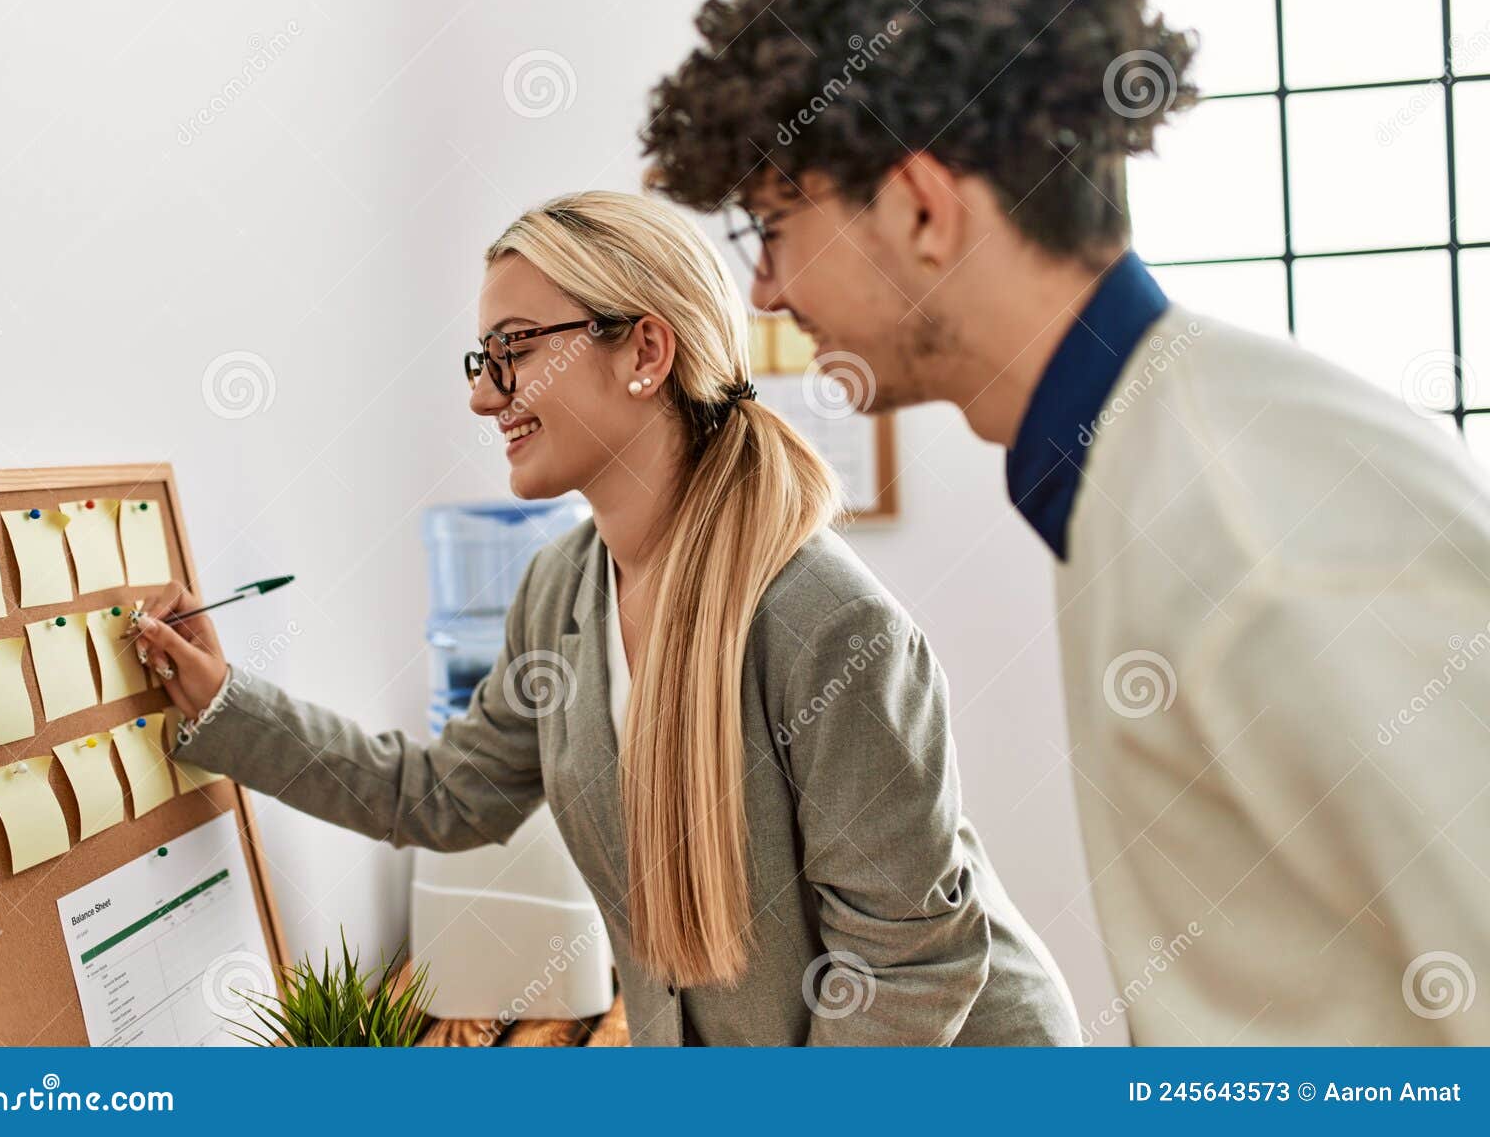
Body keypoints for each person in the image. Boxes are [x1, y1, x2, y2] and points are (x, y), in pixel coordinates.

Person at [638, 0, 1490, 1044]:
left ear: (919, 208)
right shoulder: (1126, 465)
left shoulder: (1253, 523)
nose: (761, 290)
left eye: (772, 227)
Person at [135, 189, 1078, 1046]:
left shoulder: (824, 622)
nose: (480, 393)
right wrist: (225, 701)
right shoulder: (559, 591)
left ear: (646, 352)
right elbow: (441, 794)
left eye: (516, 349)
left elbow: (909, 966)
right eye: (481, 357)